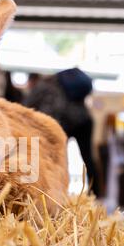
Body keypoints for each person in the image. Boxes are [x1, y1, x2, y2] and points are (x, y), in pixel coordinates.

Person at [25, 68, 99, 196]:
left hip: (66, 123)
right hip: (84, 120)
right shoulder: (60, 82)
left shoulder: (42, 87)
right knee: (87, 158)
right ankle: (95, 193)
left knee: (58, 158)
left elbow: (26, 108)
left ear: (32, 80)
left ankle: (59, 191)